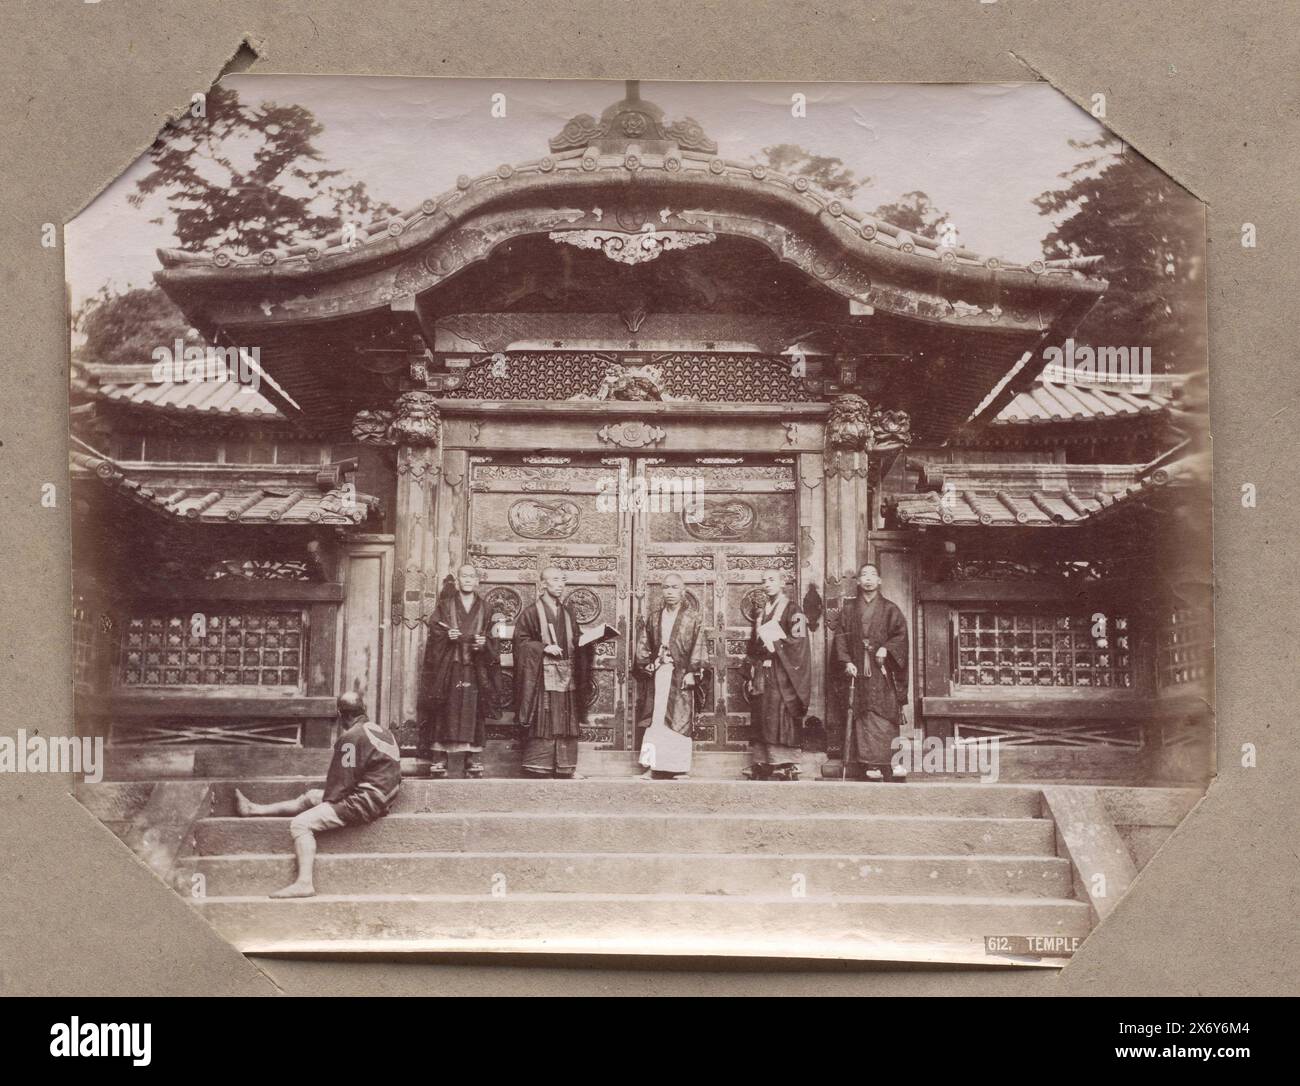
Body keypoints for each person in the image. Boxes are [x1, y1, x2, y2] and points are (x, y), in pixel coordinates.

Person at [233, 692, 401, 897]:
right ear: (363, 709)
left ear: (340, 714)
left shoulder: (350, 738)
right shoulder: (382, 731)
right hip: (380, 798)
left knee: (300, 824)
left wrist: (327, 801)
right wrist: (319, 798)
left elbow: (341, 785)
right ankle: (253, 809)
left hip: (364, 803)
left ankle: (304, 883)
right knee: (312, 796)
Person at [416, 564, 501, 778]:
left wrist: (484, 642)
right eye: (464, 576)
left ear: (477, 580)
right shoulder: (445, 606)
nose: (468, 580)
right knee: (444, 710)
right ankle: (439, 759)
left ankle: (472, 759)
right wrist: (446, 637)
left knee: (474, 711)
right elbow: (435, 630)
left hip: (474, 668)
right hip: (450, 667)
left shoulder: (487, 608)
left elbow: (494, 638)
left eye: (472, 576)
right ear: (458, 580)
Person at [513, 566, 593, 779]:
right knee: (545, 719)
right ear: (543, 584)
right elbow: (521, 642)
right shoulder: (531, 612)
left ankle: (566, 768)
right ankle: (539, 766)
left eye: (563, 580)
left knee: (566, 719)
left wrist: (589, 641)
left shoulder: (567, 613)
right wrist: (542, 648)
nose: (560, 584)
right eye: (555, 580)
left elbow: (575, 640)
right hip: (542, 676)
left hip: (565, 674)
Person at [832, 562, 910, 781]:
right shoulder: (848, 609)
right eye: (863, 575)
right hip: (858, 670)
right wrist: (846, 661)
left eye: (872, 575)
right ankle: (870, 766)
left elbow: (901, 636)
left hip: (882, 671)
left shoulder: (890, 608)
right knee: (863, 716)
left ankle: (893, 764)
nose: (867, 579)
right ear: (857, 582)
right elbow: (840, 638)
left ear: (879, 581)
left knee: (885, 716)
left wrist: (886, 648)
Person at [743, 569, 812, 781]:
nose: (767, 584)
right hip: (763, 672)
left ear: (783, 582)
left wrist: (777, 645)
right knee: (763, 713)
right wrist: (749, 669)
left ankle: (786, 763)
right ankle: (762, 762)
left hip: (784, 672)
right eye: (764, 581)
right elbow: (754, 645)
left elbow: (799, 641)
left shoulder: (795, 610)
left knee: (781, 714)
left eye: (772, 580)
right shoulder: (761, 612)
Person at [635, 573, 705, 780]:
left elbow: (699, 646)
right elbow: (644, 646)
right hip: (660, 673)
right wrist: (650, 664)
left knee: (679, 720)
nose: (670, 592)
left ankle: (679, 768)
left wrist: (693, 671)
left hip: (682, 675)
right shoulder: (655, 617)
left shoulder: (693, 618)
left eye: (674, 588)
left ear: (683, 591)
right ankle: (650, 768)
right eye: (666, 587)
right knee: (655, 720)